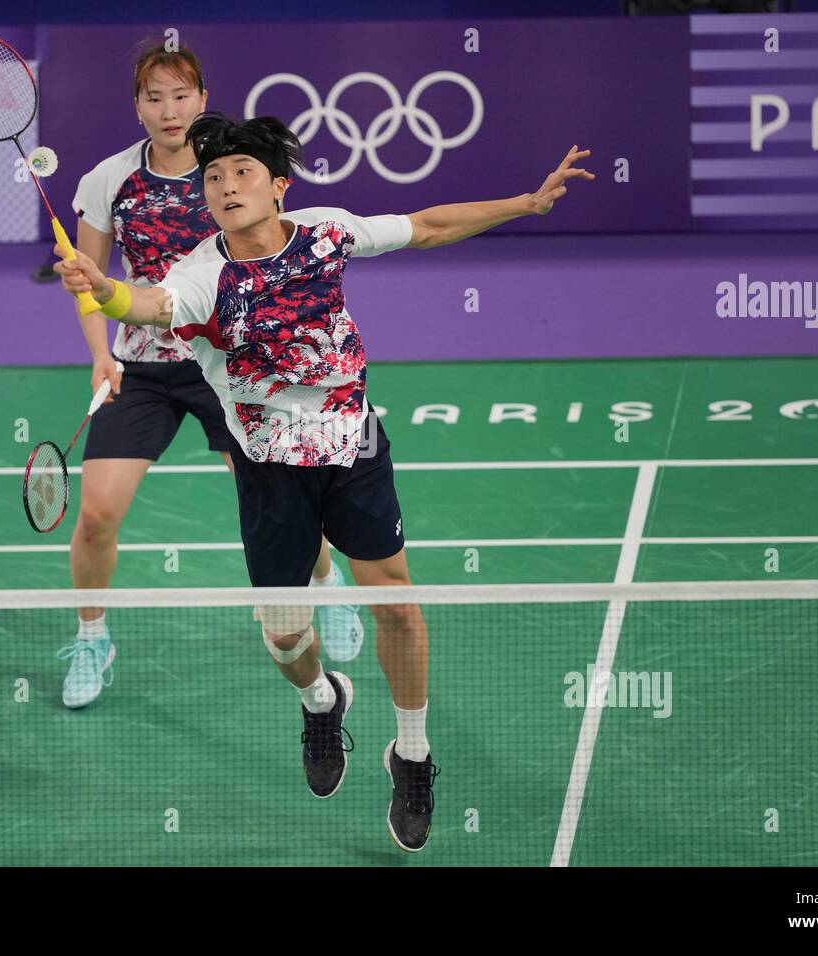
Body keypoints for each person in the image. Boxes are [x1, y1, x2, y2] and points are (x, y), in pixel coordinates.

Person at [56, 113, 593, 852]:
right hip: (269, 469)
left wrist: (525, 204)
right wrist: (103, 290)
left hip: (353, 449)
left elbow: (428, 224)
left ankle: (410, 753)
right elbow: (146, 305)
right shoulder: (199, 276)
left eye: (242, 172)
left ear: (278, 186)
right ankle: (322, 700)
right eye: (213, 177)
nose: (224, 185)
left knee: (398, 610)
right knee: (284, 638)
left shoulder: (326, 232)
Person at [57, 47, 364, 711]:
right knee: (96, 514)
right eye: (153, 99)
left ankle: (327, 581)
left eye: (180, 96)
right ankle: (92, 636)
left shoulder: (232, 172)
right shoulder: (108, 181)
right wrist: (99, 355)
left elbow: (275, 249)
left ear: (202, 98)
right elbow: (89, 282)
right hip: (143, 365)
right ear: (136, 107)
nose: (168, 112)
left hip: (234, 366)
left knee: (284, 507)